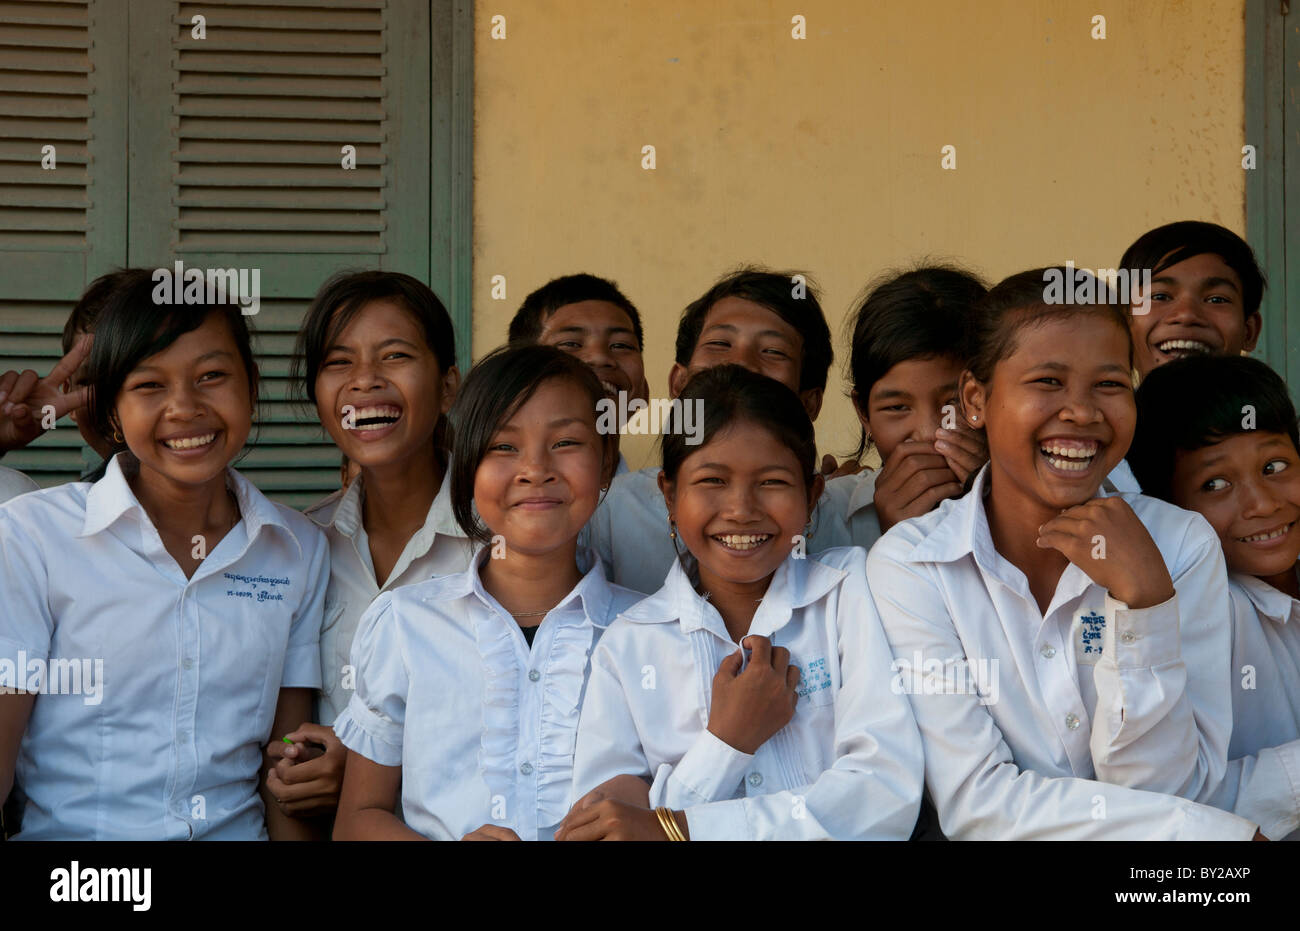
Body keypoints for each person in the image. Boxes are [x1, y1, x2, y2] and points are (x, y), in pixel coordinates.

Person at [867, 267, 1257, 839]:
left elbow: (1168, 791)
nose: (1081, 411)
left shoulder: (1180, 545)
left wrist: (1145, 605)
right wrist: (1220, 841)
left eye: (1109, 384)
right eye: (1048, 381)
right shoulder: (913, 565)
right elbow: (978, 802)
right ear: (976, 399)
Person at [0, 276, 328, 839]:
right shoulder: (34, 536)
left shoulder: (297, 547)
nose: (184, 407)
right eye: (149, 385)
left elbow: (285, 769)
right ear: (110, 411)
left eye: (212, 376)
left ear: (251, 386)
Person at [560, 365, 923, 840]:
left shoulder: (849, 591)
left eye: (772, 482)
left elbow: (884, 795)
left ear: (812, 495)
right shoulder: (628, 646)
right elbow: (603, 830)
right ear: (669, 495)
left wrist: (679, 829)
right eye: (712, 480)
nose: (741, 509)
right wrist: (726, 742)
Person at [332, 345, 641, 840]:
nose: (535, 469)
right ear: (469, 466)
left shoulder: (650, 630)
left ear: (606, 464)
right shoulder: (405, 622)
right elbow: (357, 821)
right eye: (503, 447)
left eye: (565, 443)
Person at [268, 271, 477, 820]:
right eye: (339, 363)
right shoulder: (299, 547)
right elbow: (280, 723)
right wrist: (299, 766)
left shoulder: (500, 544)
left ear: (449, 385)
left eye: (394, 356)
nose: (364, 381)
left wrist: (368, 770)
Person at [582, 267, 855, 595]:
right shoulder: (613, 509)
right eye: (720, 343)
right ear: (678, 382)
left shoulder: (847, 515)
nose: (740, 363)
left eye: (773, 351)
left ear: (810, 401)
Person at [1127, 354, 1300, 840]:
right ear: (1170, 509)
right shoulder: (1200, 614)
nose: (1264, 503)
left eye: (1275, 465)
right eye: (1215, 484)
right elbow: (1173, 811)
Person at [829, 265, 988, 547]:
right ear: (863, 413)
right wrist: (898, 539)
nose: (928, 433)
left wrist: (990, 502)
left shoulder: (1056, 506)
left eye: (954, 402)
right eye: (897, 408)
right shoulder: (824, 517)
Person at [1108, 221, 1268, 492]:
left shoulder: (1276, 438)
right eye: (1159, 295)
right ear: (1123, 326)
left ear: (1249, 331)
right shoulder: (1094, 447)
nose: (1186, 315)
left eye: (1217, 299)